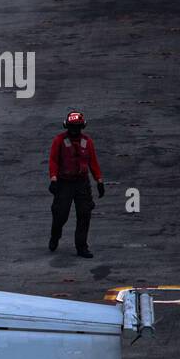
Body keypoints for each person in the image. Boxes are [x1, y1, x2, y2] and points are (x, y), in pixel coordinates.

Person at [48, 110, 104, 259]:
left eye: (77, 127)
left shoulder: (87, 142)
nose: (75, 130)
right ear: (67, 127)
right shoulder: (59, 141)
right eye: (72, 127)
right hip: (64, 183)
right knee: (60, 214)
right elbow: (53, 160)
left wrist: (99, 181)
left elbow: (93, 162)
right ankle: (55, 235)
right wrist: (53, 179)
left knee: (84, 214)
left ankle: (82, 247)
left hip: (81, 184)